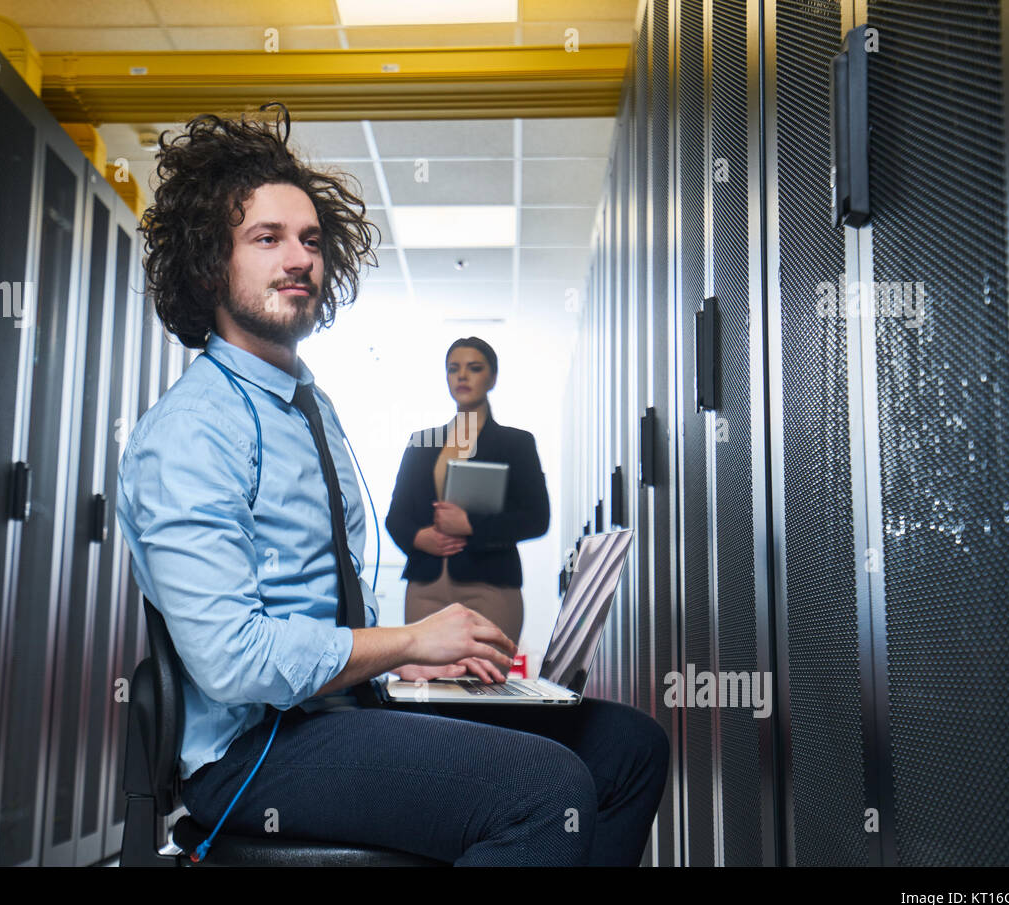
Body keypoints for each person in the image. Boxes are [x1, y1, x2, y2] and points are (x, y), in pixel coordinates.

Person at [117, 104, 669, 865]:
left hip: (338, 710)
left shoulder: (308, 404)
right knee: (546, 792)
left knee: (626, 746)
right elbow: (232, 659)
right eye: (267, 239)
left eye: (310, 240)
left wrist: (399, 661)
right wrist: (408, 637)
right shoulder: (191, 432)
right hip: (254, 754)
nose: (299, 258)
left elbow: (318, 601)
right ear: (213, 264)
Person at [386, 338, 547, 675]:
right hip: (426, 587)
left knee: (482, 687)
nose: (462, 377)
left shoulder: (516, 443)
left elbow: (536, 518)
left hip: (489, 587)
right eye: (453, 369)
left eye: (474, 368)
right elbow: (396, 517)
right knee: (427, 697)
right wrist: (419, 538)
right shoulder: (421, 442)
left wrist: (471, 526)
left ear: (492, 378)